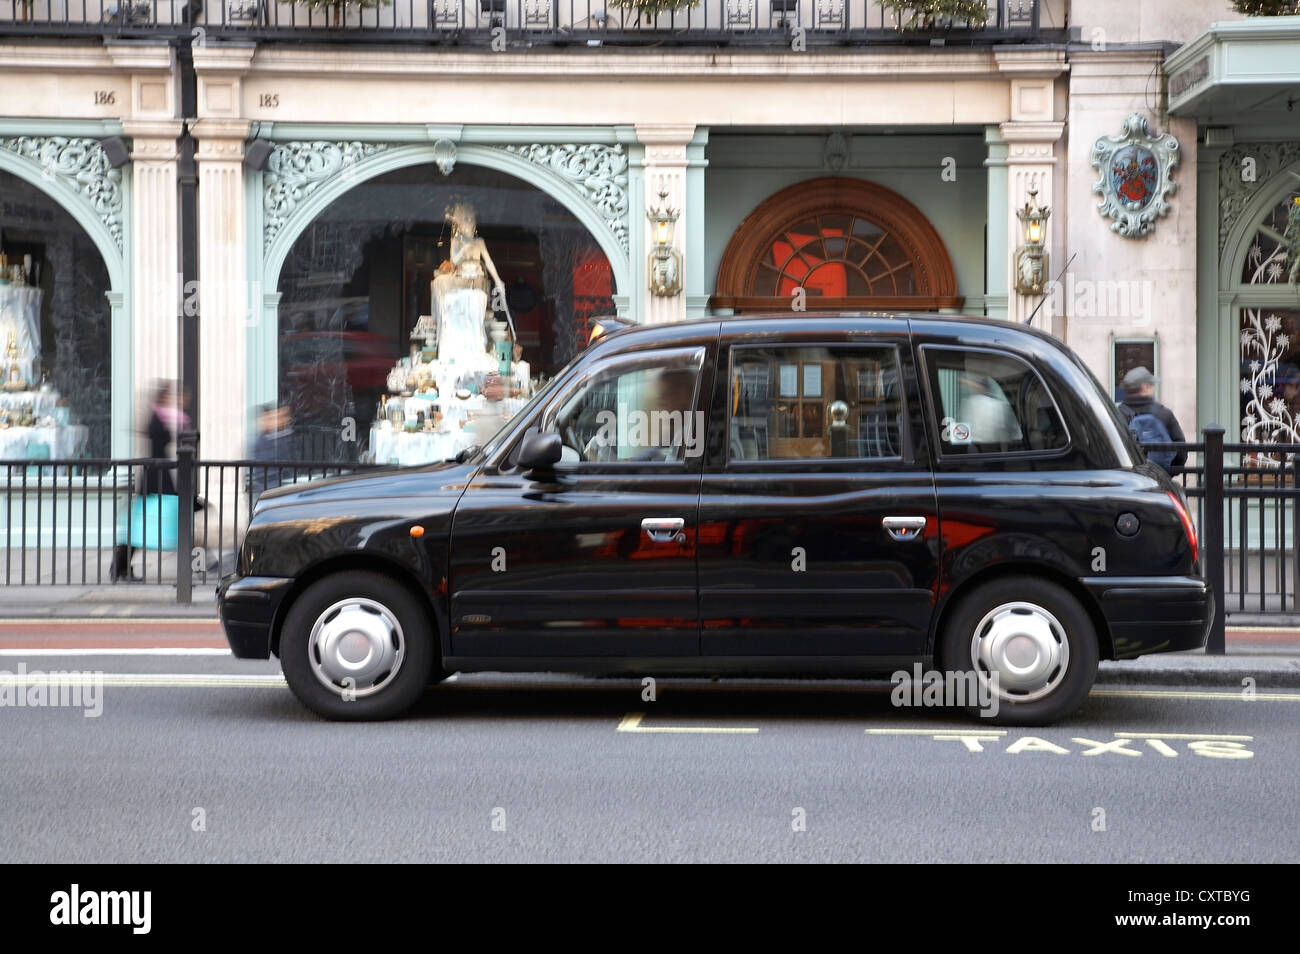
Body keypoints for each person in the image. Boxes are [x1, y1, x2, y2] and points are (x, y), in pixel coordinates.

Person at [111, 381, 192, 582]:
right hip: (156, 479)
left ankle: (120, 567)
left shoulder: (159, 416)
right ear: (163, 397)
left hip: (157, 477)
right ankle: (200, 563)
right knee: (144, 525)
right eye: (169, 396)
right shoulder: (157, 418)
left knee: (141, 526)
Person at [1119, 366, 1186, 473]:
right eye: (1151, 385)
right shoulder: (1163, 413)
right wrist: (1166, 474)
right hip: (1158, 477)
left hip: (1127, 478)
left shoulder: (1116, 414)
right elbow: (1181, 453)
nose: (1153, 388)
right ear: (1145, 387)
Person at [250, 403, 294, 498]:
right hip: (271, 489)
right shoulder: (264, 441)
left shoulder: (279, 438)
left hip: (279, 487)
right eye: (267, 419)